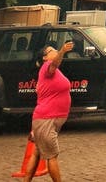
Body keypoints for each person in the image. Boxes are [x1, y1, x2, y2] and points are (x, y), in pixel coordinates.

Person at [24, 40, 74, 182]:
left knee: (37, 153)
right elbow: (55, 63)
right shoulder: (48, 67)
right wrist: (63, 50)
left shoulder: (52, 71)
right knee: (52, 156)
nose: (55, 51)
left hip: (47, 120)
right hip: (47, 119)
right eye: (51, 50)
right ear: (44, 58)